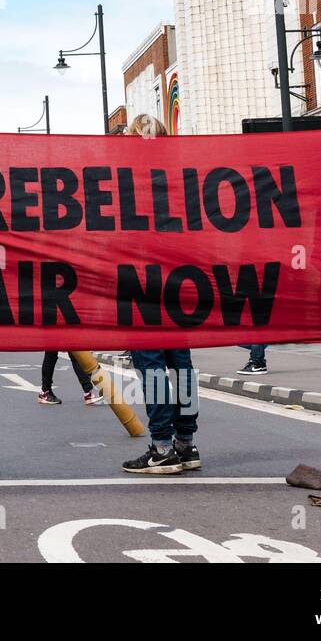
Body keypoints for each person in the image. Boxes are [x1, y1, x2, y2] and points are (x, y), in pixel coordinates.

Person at [118, 115, 201, 475]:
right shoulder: (178, 182)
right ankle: (186, 444)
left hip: (143, 287)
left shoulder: (128, 184)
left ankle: (162, 447)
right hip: (177, 285)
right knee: (180, 365)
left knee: (151, 367)